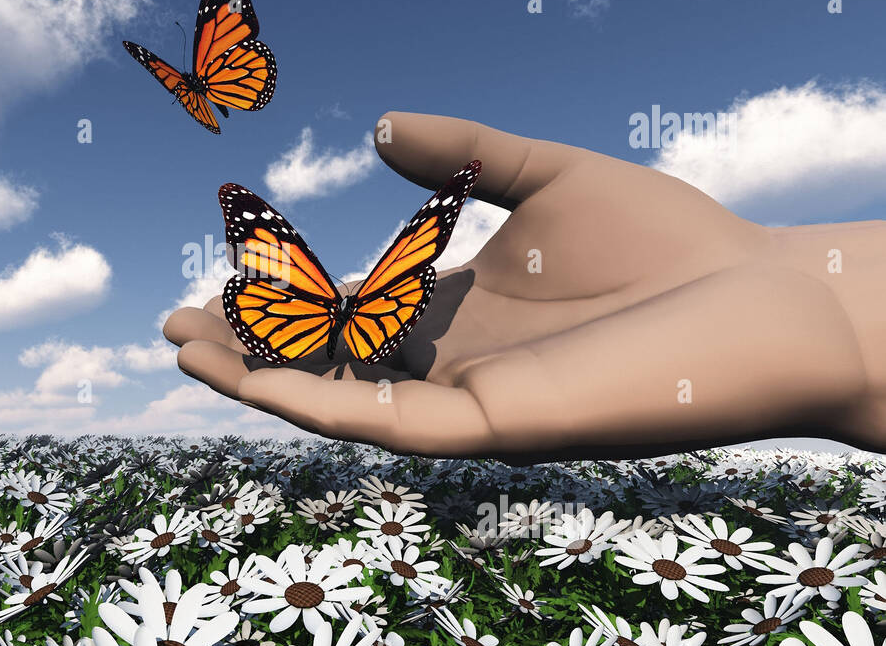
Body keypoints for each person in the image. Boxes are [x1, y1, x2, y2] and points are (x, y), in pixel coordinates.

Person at [164, 112, 886, 460]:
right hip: (379, 319)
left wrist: (824, 323)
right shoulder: (396, 296)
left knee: (317, 326)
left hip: (309, 325)